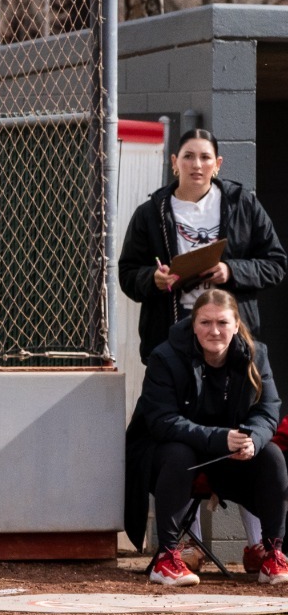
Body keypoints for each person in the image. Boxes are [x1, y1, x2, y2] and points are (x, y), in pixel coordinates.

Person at [125, 288, 288, 586]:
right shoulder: (165, 356)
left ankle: (273, 554)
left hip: (227, 455)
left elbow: (269, 411)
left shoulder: (256, 355)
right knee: (179, 452)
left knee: (271, 454)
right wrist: (221, 438)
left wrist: (253, 439)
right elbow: (163, 422)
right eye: (205, 323)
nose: (214, 331)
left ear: (237, 325)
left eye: (223, 323)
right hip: (166, 454)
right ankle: (167, 557)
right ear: (193, 325)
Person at [118, 127, 288, 365]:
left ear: (217, 163)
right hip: (172, 330)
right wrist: (153, 279)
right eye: (188, 156)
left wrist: (231, 271)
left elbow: (276, 264)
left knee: (231, 401)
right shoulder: (150, 213)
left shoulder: (243, 205)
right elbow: (127, 274)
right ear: (175, 161)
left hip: (229, 332)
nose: (197, 164)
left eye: (205, 157)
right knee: (172, 400)